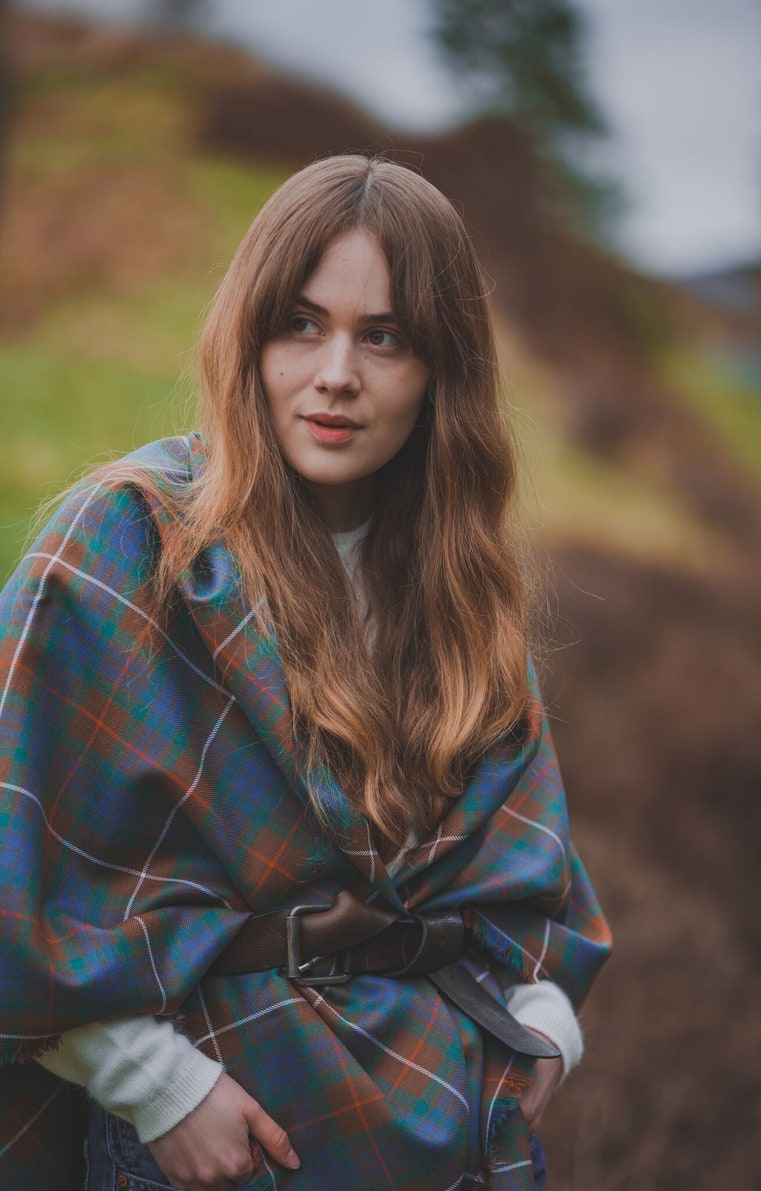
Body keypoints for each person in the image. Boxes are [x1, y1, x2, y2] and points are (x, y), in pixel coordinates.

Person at [0, 155, 611, 1190]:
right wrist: (158, 1087)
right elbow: (17, 865)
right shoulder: (125, 540)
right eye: (300, 323)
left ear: (439, 370)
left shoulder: (454, 583)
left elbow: (528, 866)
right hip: (202, 1141)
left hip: (444, 1124)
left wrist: (542, 1029)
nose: (337, 373)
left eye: (384, 337)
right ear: (248, 336)